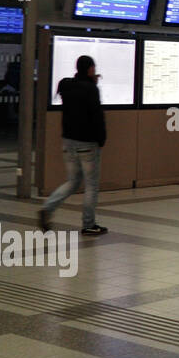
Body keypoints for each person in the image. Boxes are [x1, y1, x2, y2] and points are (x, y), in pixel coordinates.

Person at [39, 55, 108, 235]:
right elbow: (97, 116)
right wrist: (101, 139)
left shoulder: (66, 85)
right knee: (91, 185)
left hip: (68, 141)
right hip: (87, 143)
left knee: (73, 181)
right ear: (90, 69)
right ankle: (88, 224)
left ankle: (48, 207)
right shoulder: (90, 89)